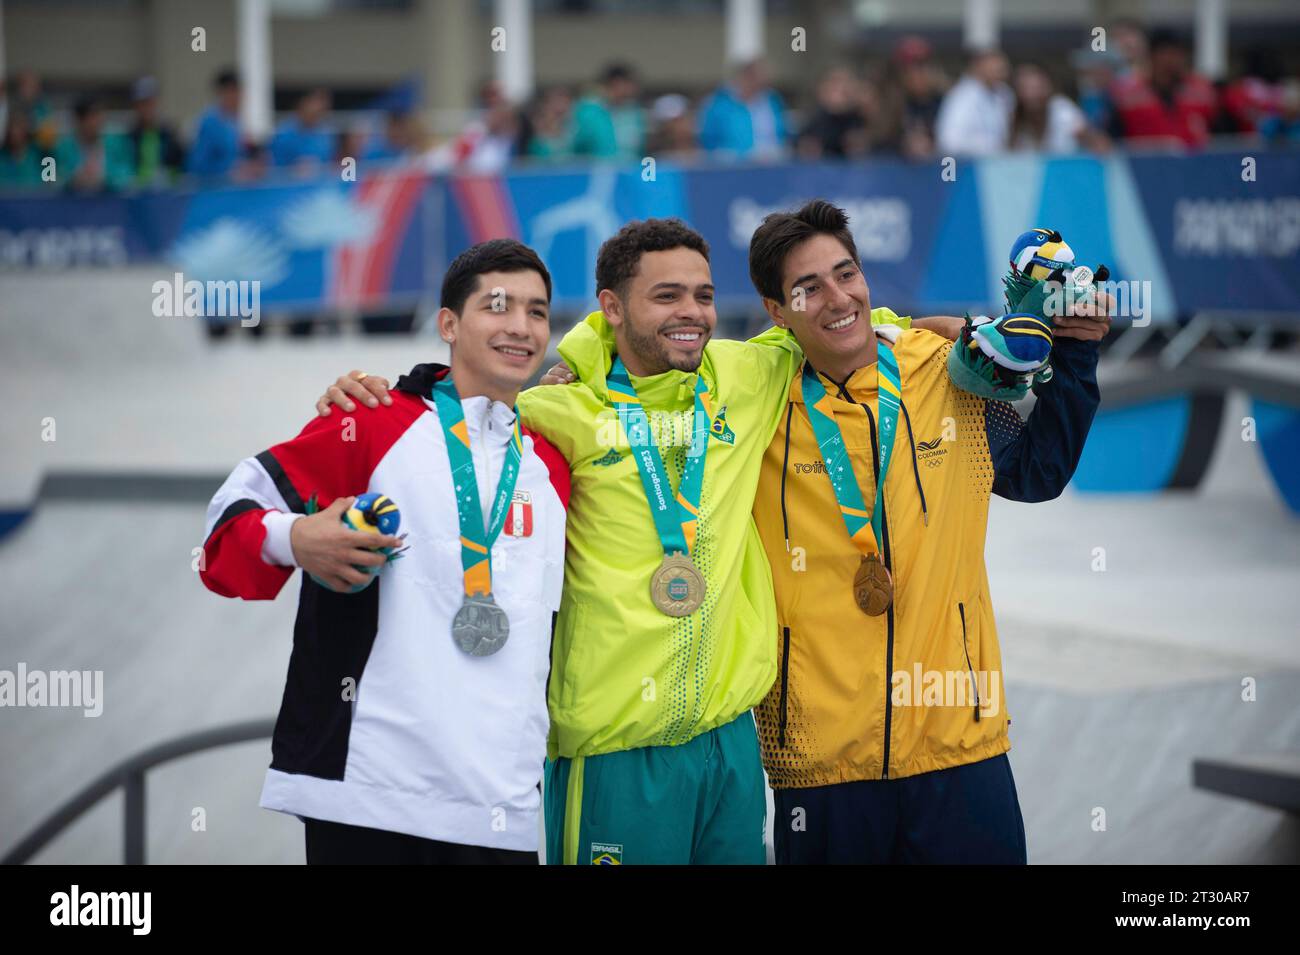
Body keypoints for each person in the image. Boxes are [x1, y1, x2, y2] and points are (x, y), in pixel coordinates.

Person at [315, 220, 969, 863]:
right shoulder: (556, 414)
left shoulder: (748, 375)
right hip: (614, 755)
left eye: (704, 296)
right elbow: (451, 423)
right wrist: (367, 395)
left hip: (729, 749)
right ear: (612, 307)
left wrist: (918, 328)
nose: (692, 313)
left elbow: (835, 317)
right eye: (667, 296)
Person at [744, 200, 1105, 863]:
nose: (837, 297)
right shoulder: (753, 408)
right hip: (822, 763)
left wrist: (1077, 356)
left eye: (845, 273)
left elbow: (1038, 472)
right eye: (808, 288)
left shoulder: (941, 371)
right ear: (776, 311)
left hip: (960, 747)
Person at [199, 239, 569, 864]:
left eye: (537, 312)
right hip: (370, 798)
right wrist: (296, 538)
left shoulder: (553, 461)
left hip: (503, 812)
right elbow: (222, 535)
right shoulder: (370, 421)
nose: (521, 326)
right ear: (448, 324)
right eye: (498, 306)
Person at [1109, 30, 1217, 149]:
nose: (1171, 60)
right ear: (1152, 57)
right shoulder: (1128, 98)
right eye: (1165, 54)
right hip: (1147, 164)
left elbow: (1223, 138)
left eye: (1176, 54)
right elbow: (1114, 139)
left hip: (1197, 163)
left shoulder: (1203, 94)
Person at [698, 59, 789, 161]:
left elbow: (783, 135)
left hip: (773, 166)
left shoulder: (772, 101)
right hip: (733, 169)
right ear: (746, 76)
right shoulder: (719, 104)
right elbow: (708, 142)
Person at [1010, 63, 1107, 153]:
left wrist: (1095, 142)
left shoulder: (1062, 109)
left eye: (1036, 88)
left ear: (1047, 88)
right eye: (1025, 88)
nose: (1032, 94)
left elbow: (1086, 134)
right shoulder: (1011, 115)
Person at [935, 48, 1014, 157]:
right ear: (978, 66)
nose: (999, 71)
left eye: (1001, 68)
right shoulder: (961, 95)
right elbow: (949, 142)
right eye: (993, 66)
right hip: (970, 166)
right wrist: (989, 146)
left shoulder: (1005, 94)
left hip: (1001, 164)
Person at [54, 95, 132, 193]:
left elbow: (126, 174)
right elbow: (55, 179)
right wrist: (74, 180)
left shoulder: (115, 144)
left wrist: (104, 178)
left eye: (99, 116)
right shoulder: (64, 147)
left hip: (109, 204)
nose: (97, 122)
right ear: (79, 121)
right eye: (92, 117)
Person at [571, 63, 645, 161]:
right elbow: (577, 145)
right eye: (630, 83)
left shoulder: (635, 113)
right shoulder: (588, 112)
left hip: (629, 172)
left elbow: (639, 148)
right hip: (595, 171)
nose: (634, 89)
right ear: (616, 83)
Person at [125, 76, 185, 186]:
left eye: (150, 103)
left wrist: (168, 176)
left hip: (165, 196)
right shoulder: (128, 136)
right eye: (142, 103)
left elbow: (181, 166)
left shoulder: (170, 134)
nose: (146, 108)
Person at [187, 69, 245, 180]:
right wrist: (230, 171)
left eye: (239, 92)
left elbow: (233, 156)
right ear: (221, 93)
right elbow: (197, 166)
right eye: (233, 92)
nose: (238, 97)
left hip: (230, 191)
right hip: (212, 192)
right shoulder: (208, 123)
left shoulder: (234, 122)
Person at [270, 88, 336, 172]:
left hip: (320, 182)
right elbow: (275, 165)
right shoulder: (284, 131)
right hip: (287, 182)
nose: (319, 108)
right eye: (315, 102)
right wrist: (294, 167)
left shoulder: (326, 133)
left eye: (323, 104)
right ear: (303, 103)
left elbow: (329, 163)